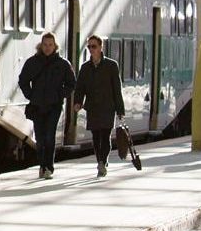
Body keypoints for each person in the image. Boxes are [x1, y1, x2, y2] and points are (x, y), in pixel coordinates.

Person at [18, 32, 76, 179]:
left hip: (54, 106)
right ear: (41, 45)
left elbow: (71, 83)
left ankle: (48, 167)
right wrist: (30, 95)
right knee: (40, 138)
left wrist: (60, 95)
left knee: (50, 136)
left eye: (50, 45)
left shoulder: (63, 64)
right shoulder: (32, 62)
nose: (48, 47)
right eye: (45, 44)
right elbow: (23, 80)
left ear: (55, 46)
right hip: (37, 106)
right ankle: (42, 165)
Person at [73, 35, 124, 178]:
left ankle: (103, 160)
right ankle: (100, 161)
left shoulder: (111, 65)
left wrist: (120, 110)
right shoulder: (85, 68)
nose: (91, 49)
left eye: (94, 46)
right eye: (89, 47)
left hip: (108, 107)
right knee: (96, 136)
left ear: (101, 47)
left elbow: (117, 89)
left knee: (105, 135)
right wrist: (78, 102)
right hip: (93, 107)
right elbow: (80, 88)